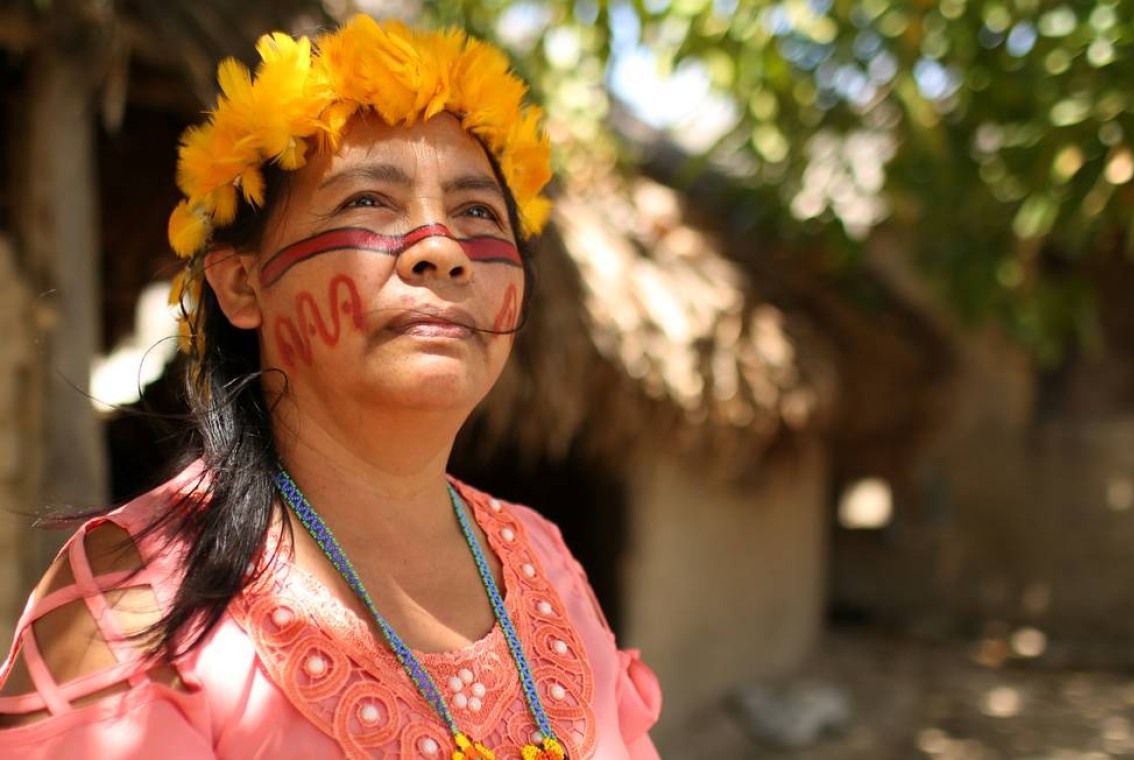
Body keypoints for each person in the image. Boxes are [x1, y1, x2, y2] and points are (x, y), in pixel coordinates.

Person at [0, 15, 661, 759]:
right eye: (367, 202)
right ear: (242, 284)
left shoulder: (545, 558)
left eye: (477, 212)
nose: (441, 251)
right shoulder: (136, 597)